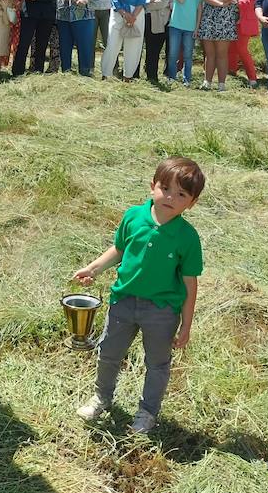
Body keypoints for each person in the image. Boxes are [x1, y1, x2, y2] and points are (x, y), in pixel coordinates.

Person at [74, 157, 204, 435]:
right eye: (165, 188)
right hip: (123, 300)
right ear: (152, 186)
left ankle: (147, 412)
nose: (170, 197)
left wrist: (186, 323)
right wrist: (94, 268)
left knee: (156, 363)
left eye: (181, 194)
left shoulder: (187, 237)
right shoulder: (133, 217)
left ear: (192, 203)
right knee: (108, 353)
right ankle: (102, 398)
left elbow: (190, 283)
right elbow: (119, 249)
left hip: (161, 311)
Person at [196, 0, 242, 91]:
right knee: (209, 53)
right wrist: (219, 4)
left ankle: (221, 84)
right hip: (210, 13)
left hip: (225, 16)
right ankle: (207, 82)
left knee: (222, 53)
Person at [166, 0, 201, 86]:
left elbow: (199, 9)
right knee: (173, 53)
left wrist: (197, 27)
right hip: (175, 25)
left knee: (187, 54)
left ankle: (187, 79)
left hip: (190, 27)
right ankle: (172, 77)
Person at [225, 0, 260, 87]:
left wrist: (235, 2)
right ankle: (231, 73)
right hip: (229, 20)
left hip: (244, 21)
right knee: (231, 48)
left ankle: (252, 78)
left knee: (241, 48)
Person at [142, 0, 172, 85]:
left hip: (156, 21)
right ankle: (134, 74)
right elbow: (136, 0)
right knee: (137, 49)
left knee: (153, 50)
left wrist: (145, 4)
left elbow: (164, 1)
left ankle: (152, 77)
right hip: (140, 19)